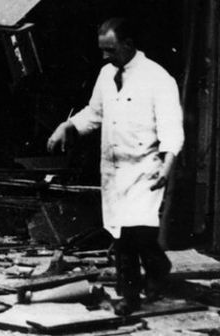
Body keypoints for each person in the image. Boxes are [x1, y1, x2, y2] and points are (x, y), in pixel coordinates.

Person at [47, 18, 183, 316]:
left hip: (145, 168)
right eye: (102, 50)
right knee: (129, 234)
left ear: (128, 45)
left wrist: (168, 165)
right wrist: (67, 125)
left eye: (110, 49)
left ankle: (130, 296)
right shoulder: (106, 75)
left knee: (130, 236)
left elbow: (172, 127)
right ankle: (158, 268)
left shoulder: (158, 79)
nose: (105, 56)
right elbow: (94, 114)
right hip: (112, 170)